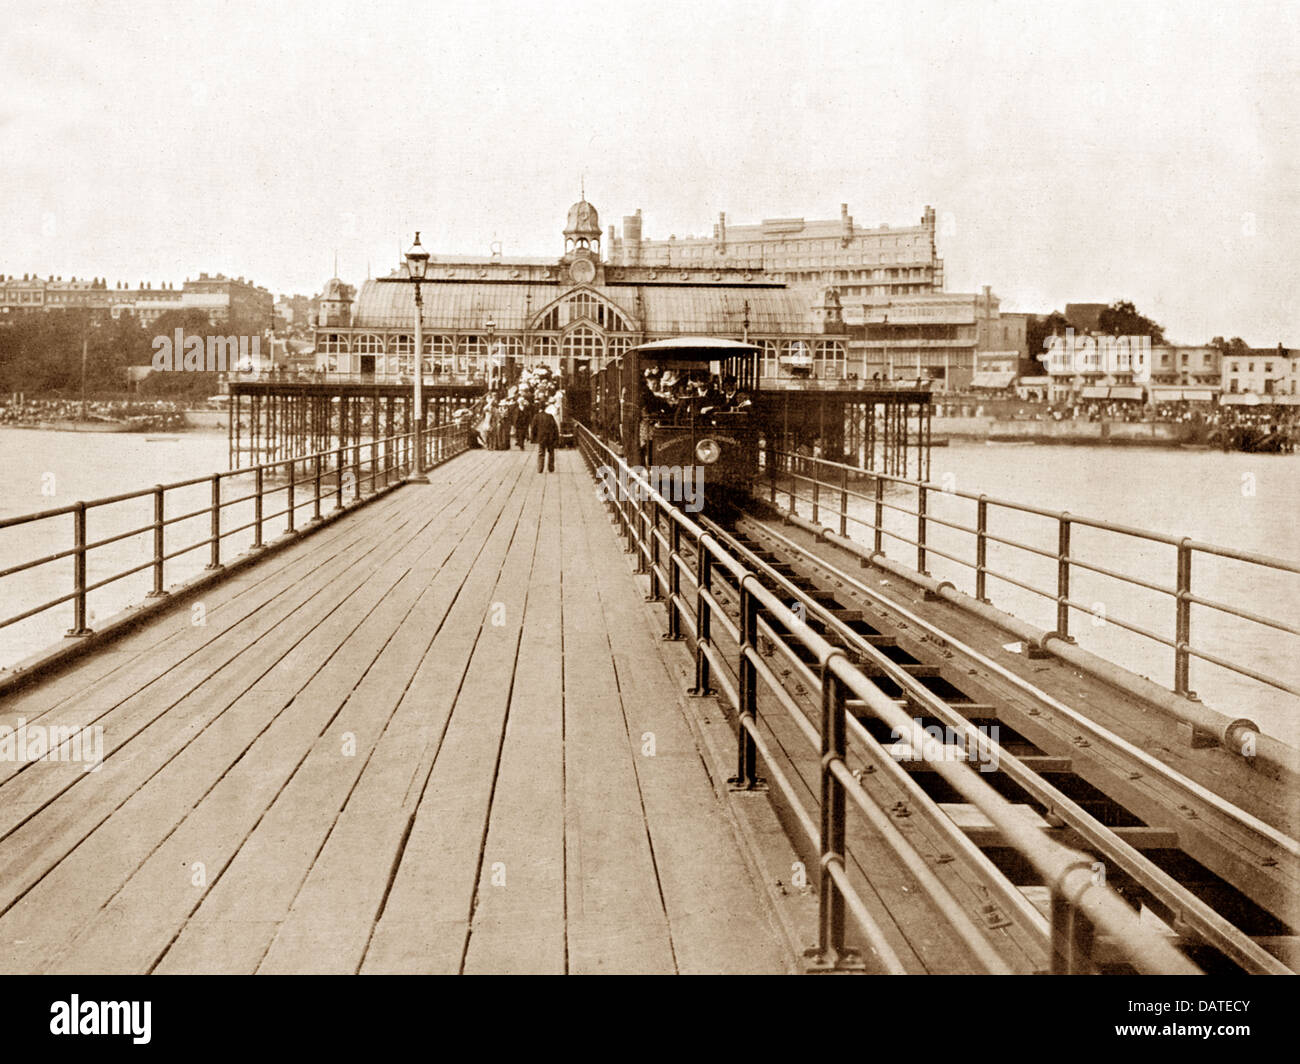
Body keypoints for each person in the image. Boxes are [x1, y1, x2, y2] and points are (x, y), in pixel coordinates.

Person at [531, 401, 560, 473]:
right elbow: (555, 428)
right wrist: (556, 438)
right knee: (551, 452)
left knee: (541, 452)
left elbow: (533, 428)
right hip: (550, 437)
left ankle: (540, 469)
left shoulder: (536, 416)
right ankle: (551, 468)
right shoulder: (550, 416)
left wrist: (533, 438)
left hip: (541, 438)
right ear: (545, 408)